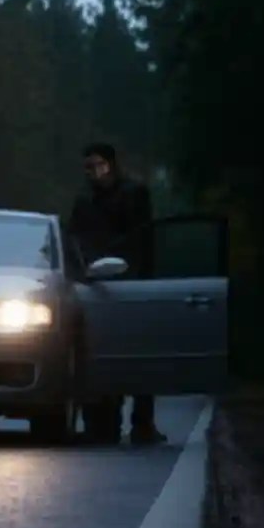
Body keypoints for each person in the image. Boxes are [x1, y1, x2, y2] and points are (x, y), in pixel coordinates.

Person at [67, 142, 167, 445]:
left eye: (99, 165)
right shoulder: (84, 201)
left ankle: (142, 423)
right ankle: (101, 423)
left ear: (111, 164)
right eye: (88, 167)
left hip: (131, 281)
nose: (94, 172)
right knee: (96, 353)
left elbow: (143, 238)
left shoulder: (134, 194)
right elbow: (74, 240)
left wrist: (141, 279)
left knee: (139, 355)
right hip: (95, 284)